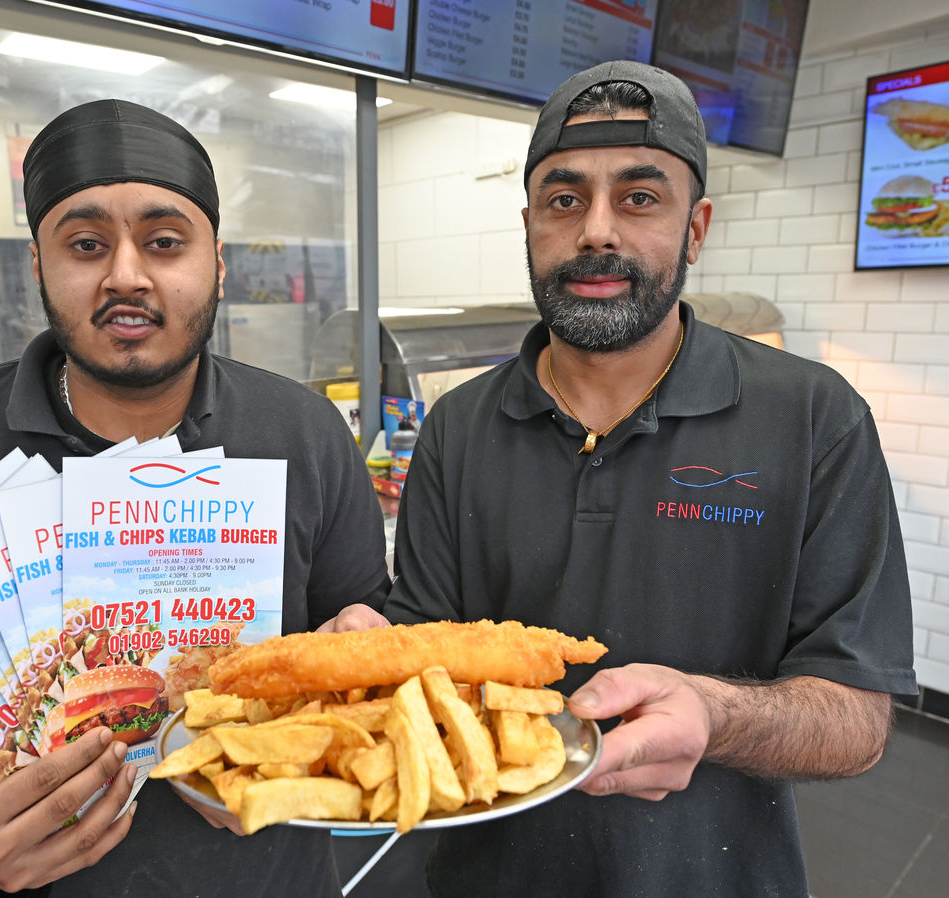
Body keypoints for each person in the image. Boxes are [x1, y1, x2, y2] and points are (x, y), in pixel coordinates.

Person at [0, 98, 389, 897]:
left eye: (164, 242)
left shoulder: (303, 433)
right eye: (86, 244)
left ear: (218, 263)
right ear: (38, 264)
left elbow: (362, 626)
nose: (126, 275)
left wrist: (359, 662)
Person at [383, 60, 916, 896]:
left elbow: (857, 719)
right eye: (564, 200)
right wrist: (364, 653)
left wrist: (715, 713)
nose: (596, 231)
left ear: (695, 229)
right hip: (486, 876)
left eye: (639, 198)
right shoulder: (457, 425)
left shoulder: (816, 418)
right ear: (529, 225)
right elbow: (420, 648)